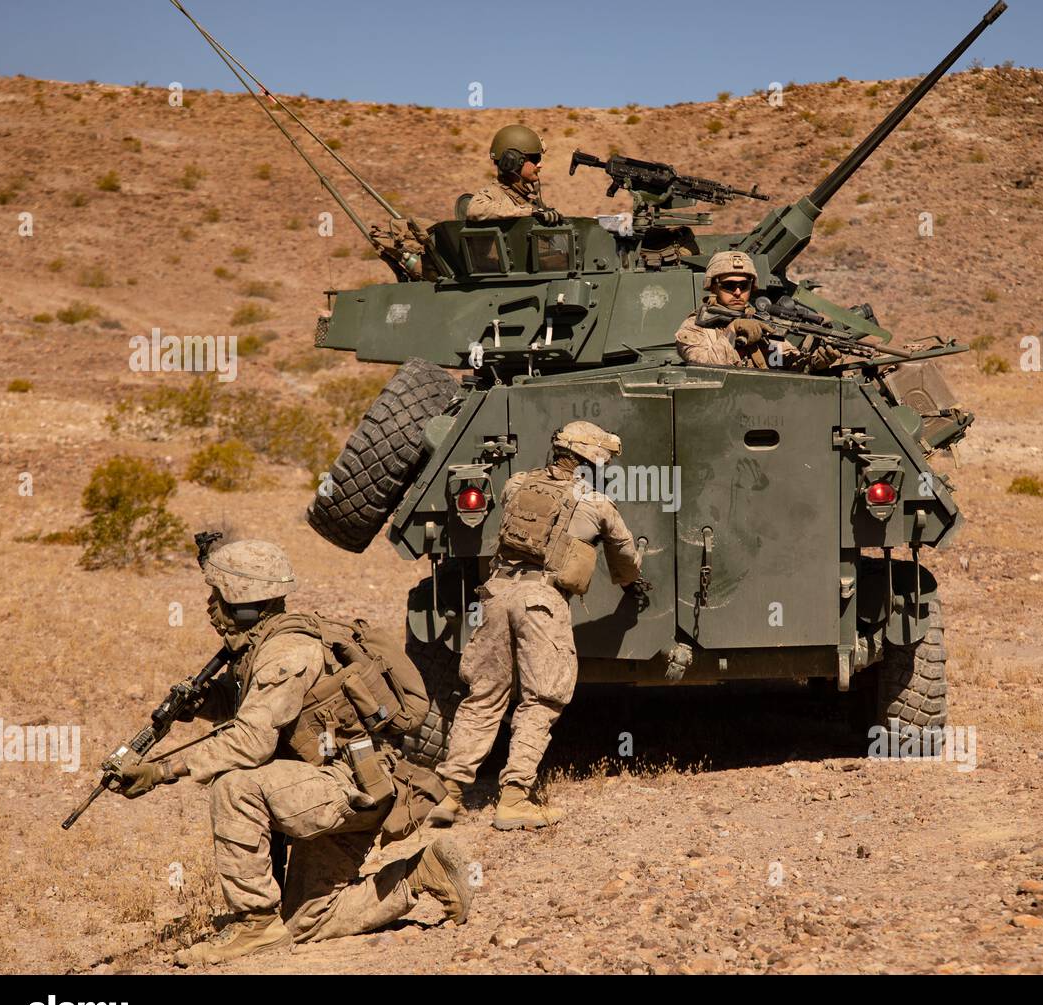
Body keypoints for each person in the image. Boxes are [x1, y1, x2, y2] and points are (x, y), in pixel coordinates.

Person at [113, 539, 473, 966]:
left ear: (242, 602)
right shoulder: (268, 642)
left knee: (235, 787)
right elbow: (268, 706)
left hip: (344, 787)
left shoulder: (286, 653)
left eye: (218, 596)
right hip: (345, 786)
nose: (210, 606)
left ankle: (254, 924)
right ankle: (420, 875)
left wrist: (162, 770)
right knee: (306, 922)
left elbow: (251, 740)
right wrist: (207, 702)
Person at [429, 423, 643, 830]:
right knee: (542, 697)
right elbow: (626, 559)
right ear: (591, 460)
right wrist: (631, 583)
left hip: (495, 595)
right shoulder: (595, 502)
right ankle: (514, 798)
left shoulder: (515, 484)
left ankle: (449, 795)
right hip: (541, 602)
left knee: (484, 695)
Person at [674, 250, 801, 369]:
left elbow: (783, 363)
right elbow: (707, 368)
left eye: (744, 285)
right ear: (713, 288)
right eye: (729, 286)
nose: (738, 292)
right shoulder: (695, 326)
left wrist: (815, 361)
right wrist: (733, 329)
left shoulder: (761, 321)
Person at [465, 124, 563, 224]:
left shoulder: (527, 196)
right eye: (535, 159)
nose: (539, 165)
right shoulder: (493, 193)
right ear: (513, 161)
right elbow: (474, 210)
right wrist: (527, 211)